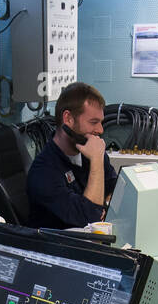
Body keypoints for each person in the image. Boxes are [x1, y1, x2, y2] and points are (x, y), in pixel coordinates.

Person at [25, 82, 118, 230]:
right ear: (68, 118)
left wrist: (105, 204)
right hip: (59, 248)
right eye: (93, 122)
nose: (100, 130)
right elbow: (90, 219)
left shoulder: (91, 150)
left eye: (101, 122)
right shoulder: (43, 172)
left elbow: (115, 188)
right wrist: (96, 161)